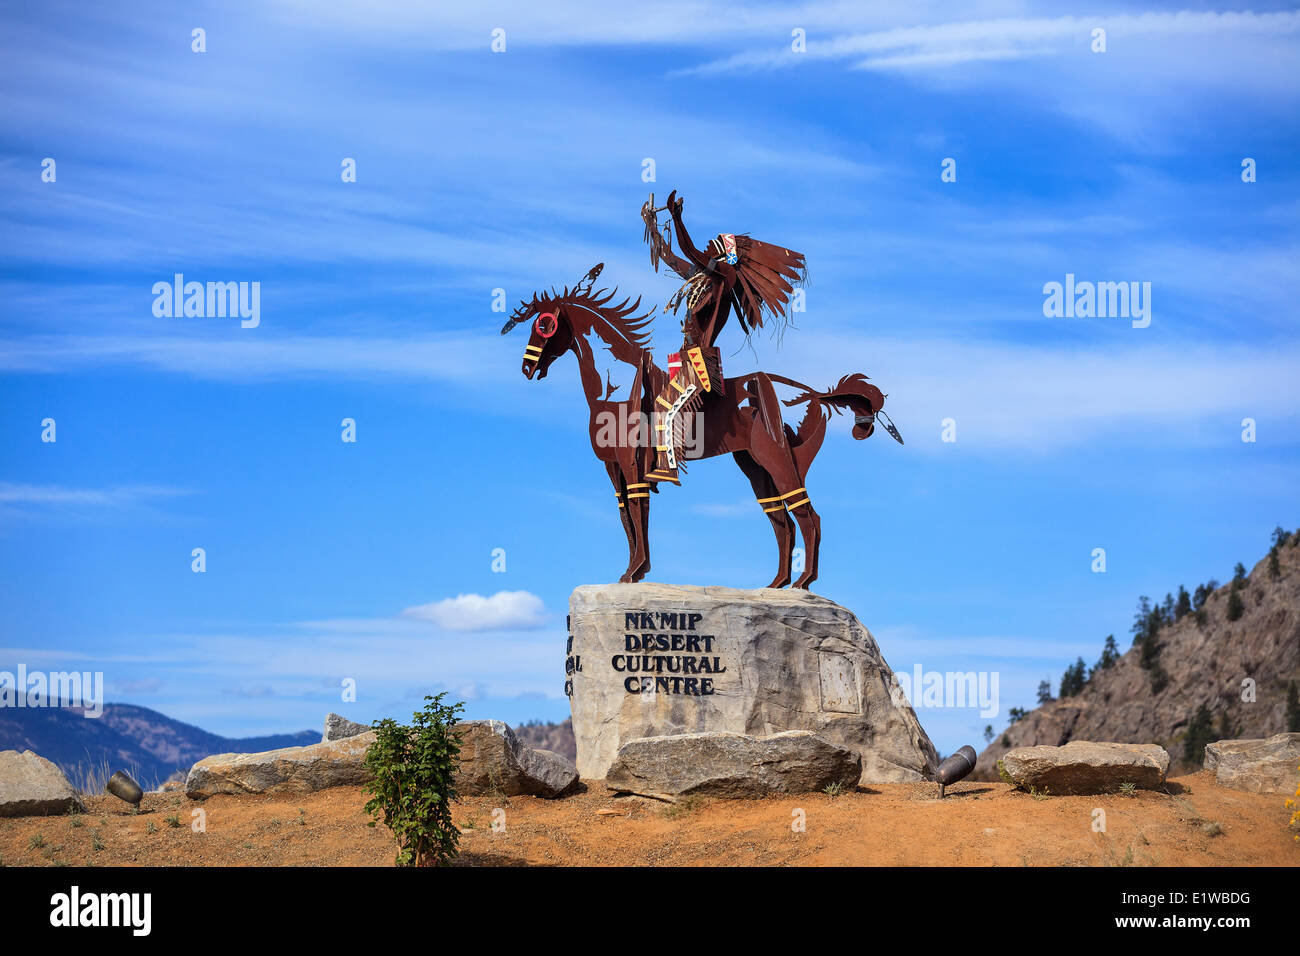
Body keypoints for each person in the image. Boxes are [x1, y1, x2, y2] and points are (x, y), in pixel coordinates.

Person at [639, 191, 806, 482]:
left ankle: (667, 467)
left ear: (727, 256)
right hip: (685, 359)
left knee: (663, 406)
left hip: (700, 363)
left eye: (717, 244)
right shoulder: (702, 279)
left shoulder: (722, 280)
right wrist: (651, 224)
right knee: (657, 402)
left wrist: (678, 220)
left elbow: (690, 250)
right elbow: (669, 257)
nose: (711, 244)